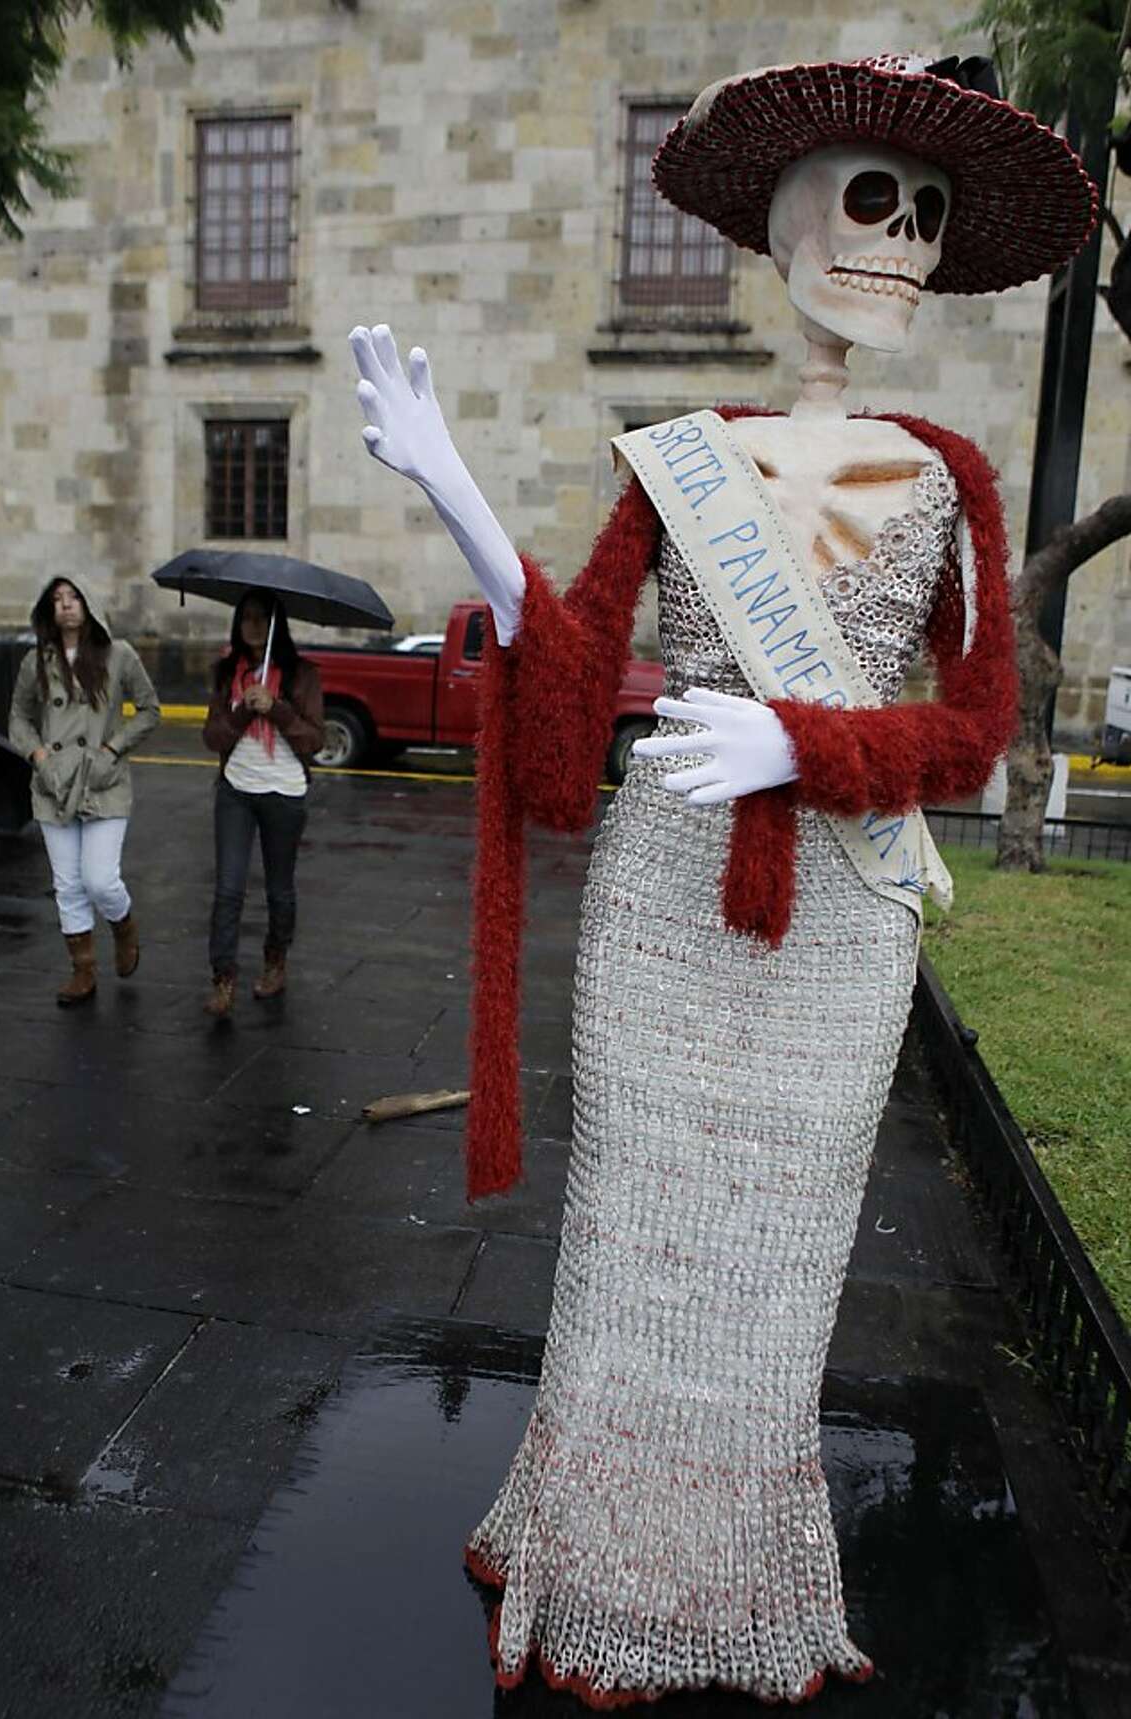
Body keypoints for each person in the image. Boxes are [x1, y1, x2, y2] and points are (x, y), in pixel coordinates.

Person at [349, 53, 1097, 1710]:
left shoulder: (954, 479)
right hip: (664, 895)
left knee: (774, 1274)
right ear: (776, 219)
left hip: (841, 922)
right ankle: (591, 1551)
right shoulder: (678, 455)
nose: (897, 240)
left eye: (929, 216)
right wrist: (458, 488)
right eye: (868, 199)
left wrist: (800, 748)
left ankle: (734, 1580)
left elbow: (969, 736)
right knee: (627, 1251)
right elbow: (565, 670)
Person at [8, 576, 161, 1005]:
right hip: (53, 785)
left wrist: (113, 748)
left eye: (74, 597)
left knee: (100, 881)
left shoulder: (120, 655)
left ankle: (123, 924)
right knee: (68, 885)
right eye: (57, 600)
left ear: (89, 603)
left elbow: (150, 710)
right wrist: (38, 755)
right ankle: (83, 971)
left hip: (102, 783)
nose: (66, 606)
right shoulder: (34, 661)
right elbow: (18, 716)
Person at [200, 590, 325, 1017]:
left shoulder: (301, 674)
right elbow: (212, 737)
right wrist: (241, 713)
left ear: (277, 625)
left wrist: (275, 708)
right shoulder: (225, 673)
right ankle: (223, 978)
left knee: (279, 889)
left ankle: (275, 961)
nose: (253, 625)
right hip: (236, 789)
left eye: (262, 618)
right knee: (228, 887)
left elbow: (315, 739)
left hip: (284, 792)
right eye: (247, 618)